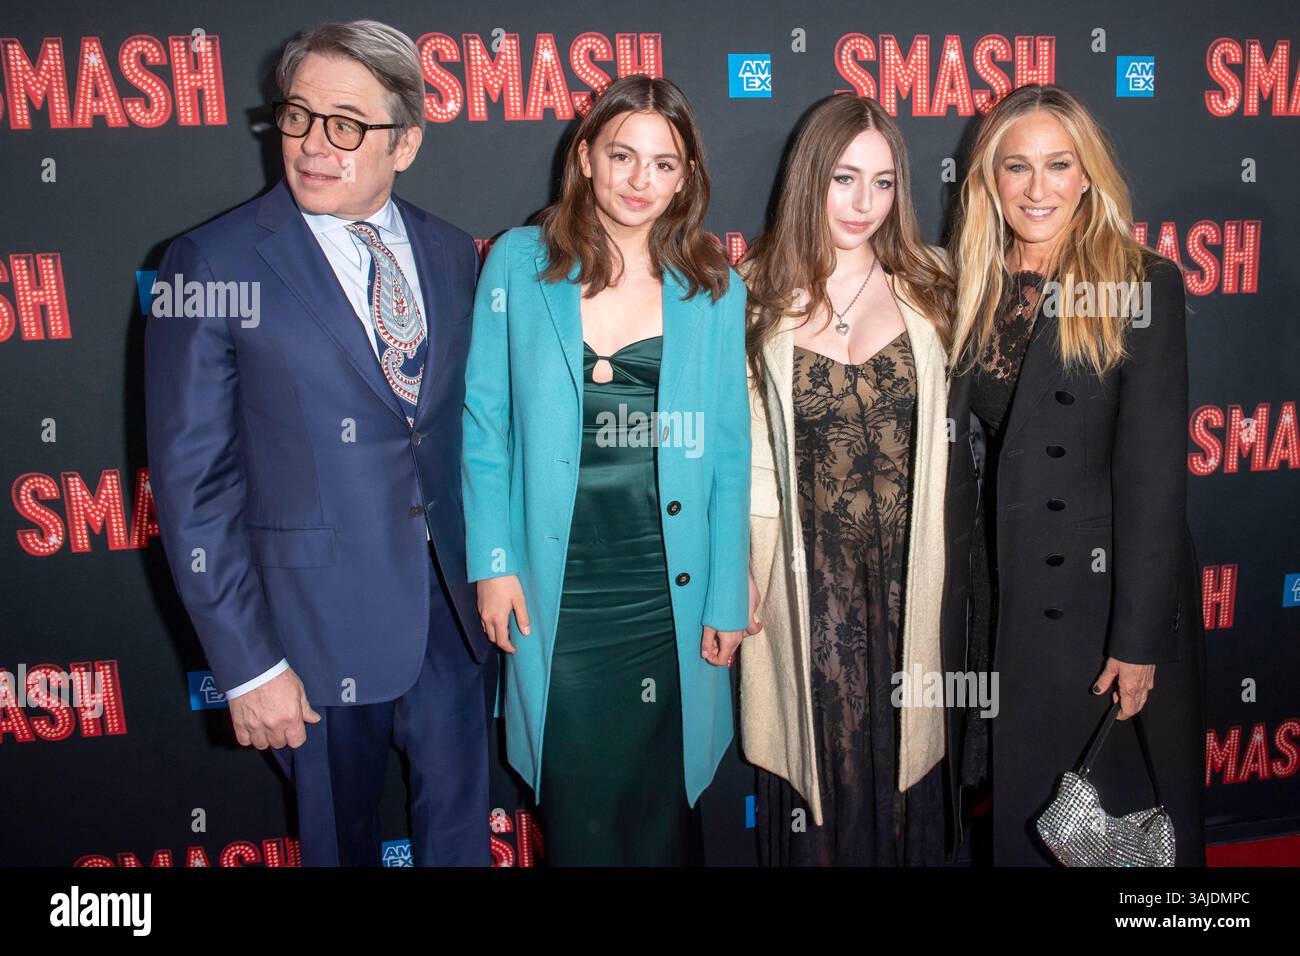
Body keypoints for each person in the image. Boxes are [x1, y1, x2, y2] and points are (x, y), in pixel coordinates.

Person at [144, 20, 493, 866]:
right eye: (297, 116)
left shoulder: (452, 252)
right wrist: (248, 665)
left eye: (347, 124)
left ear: (405, 141)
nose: (312, 145)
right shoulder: (208, 263)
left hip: (450, 620)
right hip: (308, 636)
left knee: (461, 846)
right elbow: (192, 487)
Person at [461, 75, 750, 865]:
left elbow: (728, 450)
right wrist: (494, 561)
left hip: (667, 588)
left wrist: (728, 590)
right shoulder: (519, 262)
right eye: (622, 155)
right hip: (559, 589)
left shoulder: (716, 287)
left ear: (686, 176)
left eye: (663, 163)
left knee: (662, 817)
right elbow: (485, 424)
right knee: (579, 817)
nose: (639, 180)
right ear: (585, 156)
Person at [945, 83, 1206, 865]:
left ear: (1087, 175)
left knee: (1101, 826)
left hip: (1096, 603)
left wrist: (1135, 642)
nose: (1037, 188)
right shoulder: (971, 285)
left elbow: (1156, 479)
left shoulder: (1139, 283)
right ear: (990, 179)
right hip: (1004, 590)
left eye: (1058, 165)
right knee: (1028, 809)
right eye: (1016, 167)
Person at [739, 94, 958, 865]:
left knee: (908, 763)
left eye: (884, 181)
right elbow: (755, 458)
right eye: (843, 179)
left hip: (914, 583)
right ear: (809, 180)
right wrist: (747, 570)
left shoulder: (933, 288)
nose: (865, 203)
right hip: (809, 588)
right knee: (822, 775)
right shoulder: (757, 295)